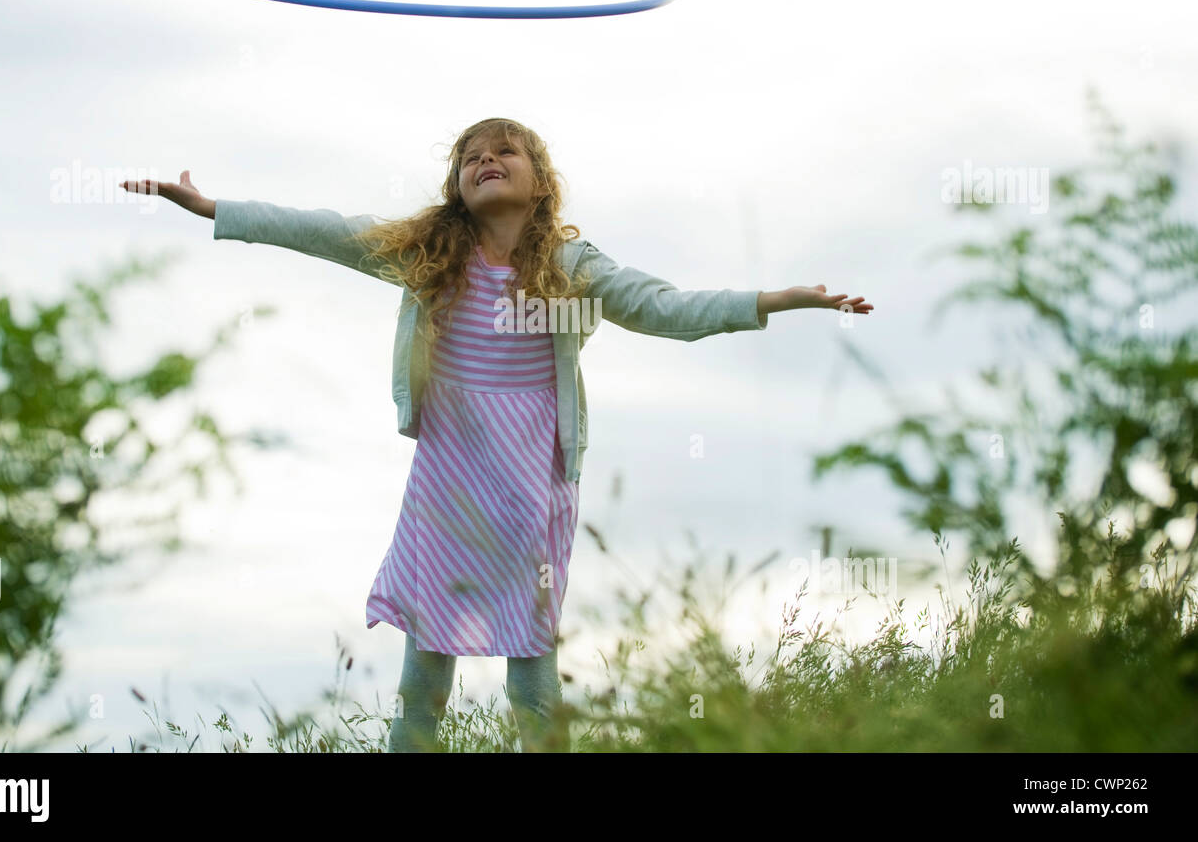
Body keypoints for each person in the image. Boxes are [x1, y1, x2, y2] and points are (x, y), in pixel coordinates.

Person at [120, 117, 873, 752]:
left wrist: (776, 300)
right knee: (426, 662)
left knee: (532, 657)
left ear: (539, 181)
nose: (486, 160)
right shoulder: (427, 255)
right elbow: (324, 232)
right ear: (458, 185)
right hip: (449, 477)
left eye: (504, 151)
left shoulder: (572, 266)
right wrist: (214, 207)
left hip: (530, 481)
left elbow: (663, 308)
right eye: (471, 156)